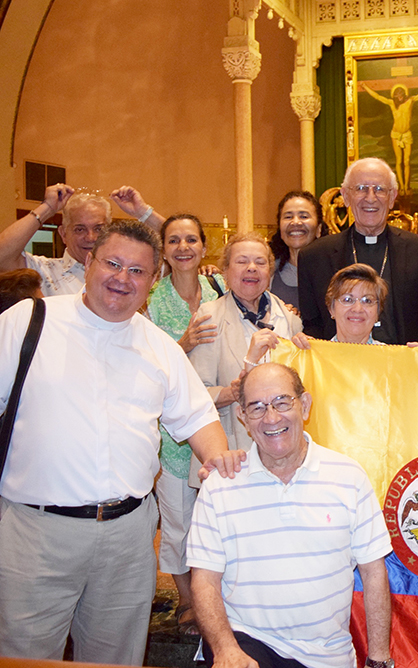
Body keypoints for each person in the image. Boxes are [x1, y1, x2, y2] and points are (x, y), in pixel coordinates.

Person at [0, 219, 239, 664]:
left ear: (151, 282)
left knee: (117, 658)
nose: (122, 279)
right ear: (89, 261)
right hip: (36, 533)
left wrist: (217, 462)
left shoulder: (158, 345)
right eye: (113, 263)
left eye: (137, 272)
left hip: (129, 537)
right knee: (24, 655)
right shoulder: (29, 322)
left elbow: (198, 417)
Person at [188, 363, 393, 668]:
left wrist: (379, 661)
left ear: (305, 405)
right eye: (256, 408)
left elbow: (374, 572)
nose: (271, 418)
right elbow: (204, 580)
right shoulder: (220, 484)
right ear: (243, 417)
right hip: (246, 644)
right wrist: (225, 649)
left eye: (282, 402)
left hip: (328, 657)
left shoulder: (349, 476)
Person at [146, 213, 226, 635]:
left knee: (221, 516)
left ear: (203, 246)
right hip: (174, 433)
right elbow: (144, 358)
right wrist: (184, 344)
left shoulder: (220, 286)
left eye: (191, 239)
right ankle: (189, 599)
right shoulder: (151, 297)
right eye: (173, 240)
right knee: (179, 523)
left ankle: (221, 596)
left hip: (221, 419)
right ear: (163, 250)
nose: (183, 247)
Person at [298, 157, 418, 346]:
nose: (370, 198)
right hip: (339, 364)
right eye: (361, 188)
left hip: (400, 365)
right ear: (346, 196)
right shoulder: (315, 256)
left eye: (380, 189)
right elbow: (312, 326)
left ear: (392, 197)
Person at [188, 233, 305, 454]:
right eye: (242, 261)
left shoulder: (289, 318)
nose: (251, 267)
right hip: (233, 447)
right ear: (225, 272)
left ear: (269, 272)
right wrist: (230, 393)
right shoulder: (209, 317)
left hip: (286, 445)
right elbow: (195, 393)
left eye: (260, 262)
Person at [0, 184, 166, 295]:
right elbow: (2, 255)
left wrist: (143, 213)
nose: (90, 237)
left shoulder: (126, 274)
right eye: (80, 229)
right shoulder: (44, 272)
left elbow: (181, 247)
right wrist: (47, 208)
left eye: (99, 229)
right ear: (63, 234)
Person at [361, 75, 418, 194]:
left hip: (406, 134)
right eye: (397, 94)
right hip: (396, 134)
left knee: (406, 161)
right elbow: (378, 97)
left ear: (404, 94)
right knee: (399, 161)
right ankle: (401, 186)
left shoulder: (410, 101)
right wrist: (365, 87)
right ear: (395, 95)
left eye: (401, 94)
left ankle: (407, 186)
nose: (399, 96)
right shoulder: (391, 103)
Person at [268, 190, 329, 309]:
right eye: (288, 217)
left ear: (319, 229)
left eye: (304, 216)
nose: (295, 222)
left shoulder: (334, 271)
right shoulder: (268, 273)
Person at [326, 263, 389, 344]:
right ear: (331, 308)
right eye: (347, 299)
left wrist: (410, 354)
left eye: (367, 301)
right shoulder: (312, 355)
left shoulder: (393, 356)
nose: (357, 309)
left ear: (378, 311)